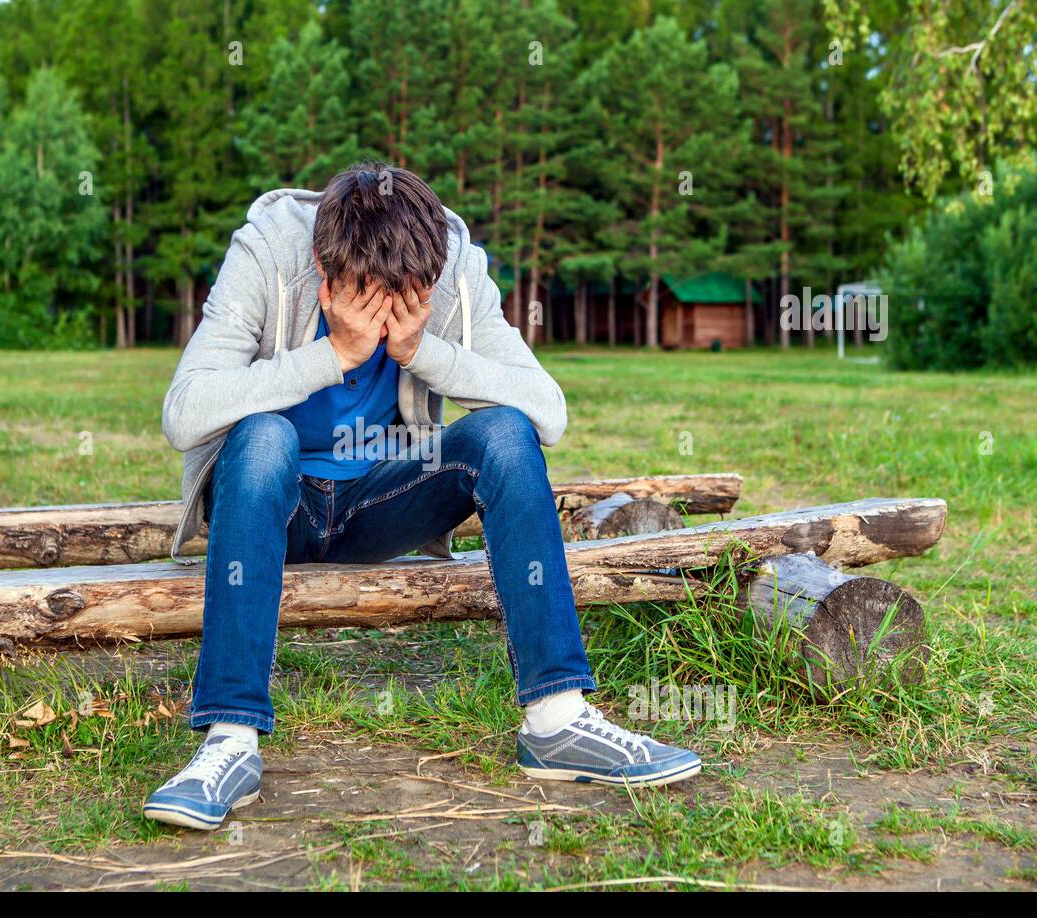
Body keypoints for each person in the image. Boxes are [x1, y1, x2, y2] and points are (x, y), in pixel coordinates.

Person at [145, 162, 700, 830]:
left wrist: (422, 351)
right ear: (325, 264)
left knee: (505, 432)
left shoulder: (456, 263)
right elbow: (183, 412)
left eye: (404, 295)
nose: (384, 312)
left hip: (383, 504)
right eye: (364, 294)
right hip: (272, 504)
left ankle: (557, 721)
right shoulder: (268, 249)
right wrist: (334, 355)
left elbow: (549, 409)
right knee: (263, 438)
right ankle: (230, 743)